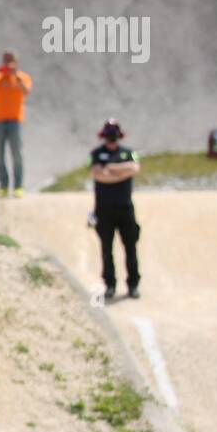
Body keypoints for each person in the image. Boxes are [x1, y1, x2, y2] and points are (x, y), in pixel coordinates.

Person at [90, 118, 141, 300]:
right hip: (104, 210)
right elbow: (97, 174)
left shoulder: (129, 153)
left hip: (125, 208)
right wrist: (121, 172)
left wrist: (110, 169)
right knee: (106, 249)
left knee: (131, 248)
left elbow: (134, 168)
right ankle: (110, 284)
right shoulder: (96, 153)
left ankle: (133, 284)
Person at [0, 50, 33, 198]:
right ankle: (3, 186)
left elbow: (26, 92)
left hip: (15, 120)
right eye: (6, 61)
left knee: (17, 154)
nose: (8, 64)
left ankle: (18, 186)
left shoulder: (22, 77)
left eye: (11, 61)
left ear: (16, 62)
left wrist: (15, 74)